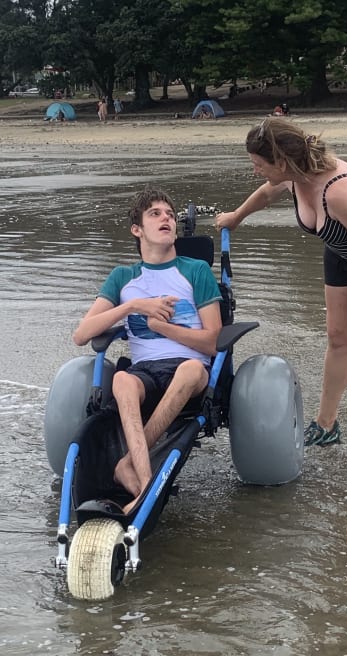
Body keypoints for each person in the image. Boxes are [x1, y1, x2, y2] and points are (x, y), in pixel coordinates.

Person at [214, 118, 347, 464]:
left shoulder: (338, 192)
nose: (255, 170)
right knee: (337, 337)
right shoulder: (291, 176)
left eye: (259, 164)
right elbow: (266, 194)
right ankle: (326, 425)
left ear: (281, 162)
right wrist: (236, 216)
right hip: (341, 249)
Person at [73, 188, 222, 511]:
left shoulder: (195, 270)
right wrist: (133, 306)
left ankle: (129, 464)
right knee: (122, 380)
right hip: (145, 372)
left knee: (190, 370)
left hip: (190, 370)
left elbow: (213, 342)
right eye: (155, 214)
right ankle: (144, 484)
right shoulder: (123, 278)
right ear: (137, 229)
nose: (166, 218)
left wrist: (162, 327)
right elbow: (82, 335)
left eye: (169, 214)